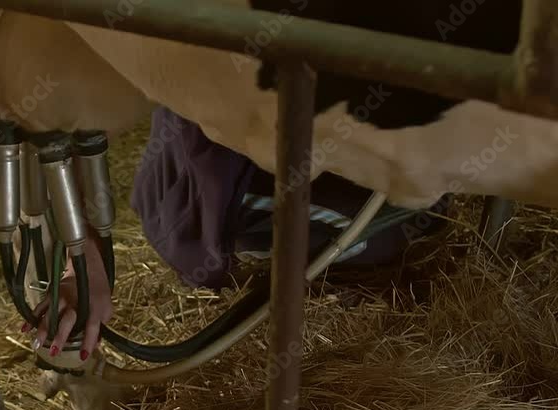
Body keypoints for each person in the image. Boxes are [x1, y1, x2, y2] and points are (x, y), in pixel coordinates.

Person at [26, 106, 448, 360]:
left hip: (329, 155)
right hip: (221, 194)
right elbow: (72, 109)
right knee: (399, 228)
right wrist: (85, 261)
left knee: (421, 215)